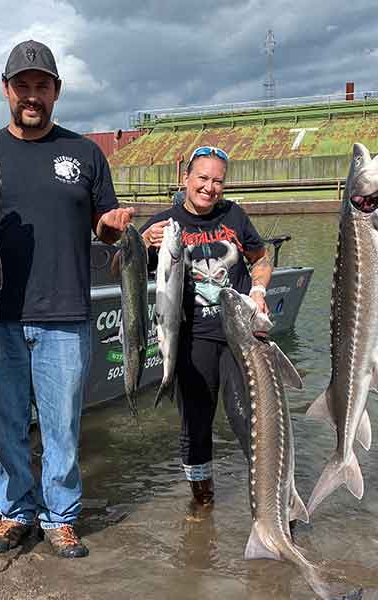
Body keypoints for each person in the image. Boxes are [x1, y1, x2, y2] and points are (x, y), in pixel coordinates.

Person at [0, 40, 134, 558]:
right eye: (22, 87)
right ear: (6, 90)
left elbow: (104, 228)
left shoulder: (84, 153)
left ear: (56, 91)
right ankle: (16, 511)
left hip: (65, 314)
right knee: (6, 421)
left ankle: (60, 516)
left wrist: (111, 226)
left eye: (42, 86)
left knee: (62, 426)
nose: (31, 96)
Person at [139, 145, 272, 509]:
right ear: (186, 179)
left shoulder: (235, 216)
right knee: (196, 425)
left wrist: (258, 290)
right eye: (203, 178)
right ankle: (203, 501)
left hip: (238, 336)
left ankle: (269, 498)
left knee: (249, 419)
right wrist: (140, 242)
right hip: (191, 338)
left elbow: (260, 258)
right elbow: (121, 263)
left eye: (218, 181)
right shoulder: (164, 224)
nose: (210, 188)